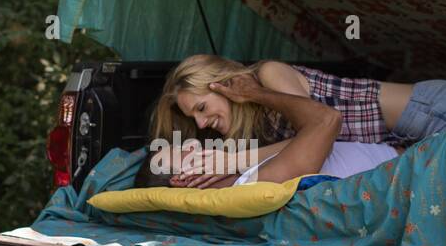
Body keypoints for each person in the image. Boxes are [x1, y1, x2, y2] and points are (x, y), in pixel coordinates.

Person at [144, 54, 446, 187]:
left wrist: (233, 159)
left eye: (201, 108)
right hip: (402, 144)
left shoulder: (268, 74)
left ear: (221, 84)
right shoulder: (255, 133)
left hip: (434, 113)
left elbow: (319, 129)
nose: (201, 125)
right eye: (193, 118)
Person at [134, 74, 397, 189]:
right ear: (182, 180)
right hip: (414, 161)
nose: (191, 142)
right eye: (183, 152)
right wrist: (256, 94)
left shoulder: (243, 169)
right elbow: (326, 119)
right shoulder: (253, 184)